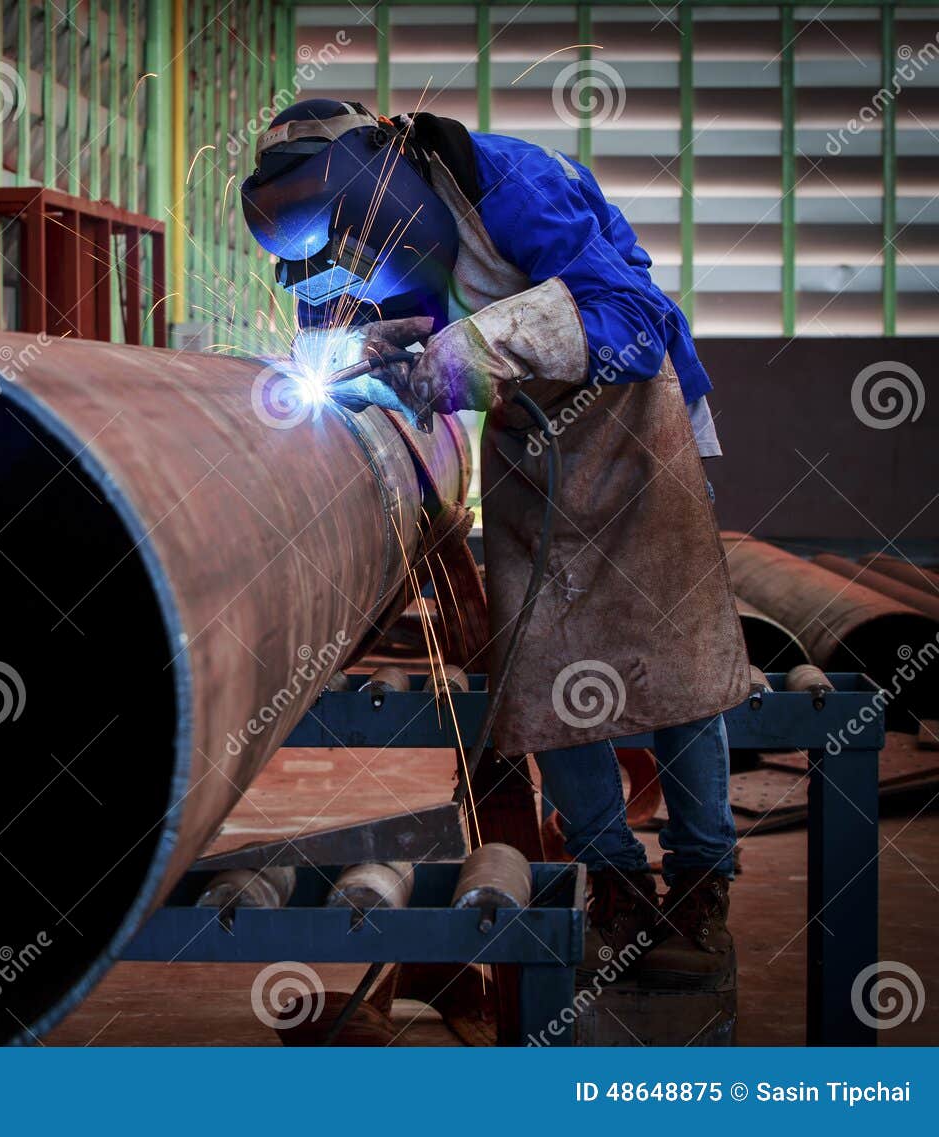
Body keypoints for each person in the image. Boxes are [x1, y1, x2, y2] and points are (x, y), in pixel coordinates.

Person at [241, 99, 750, 989]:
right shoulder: (390, 236)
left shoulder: (512, 182)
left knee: (674, 662)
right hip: (532, 443)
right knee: (543, 666)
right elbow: (400, 348)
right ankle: (617, 882)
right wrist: (373, 360)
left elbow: (629, 320)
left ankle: (703, 885)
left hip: (636, 424)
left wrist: (467, 352)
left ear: (378, 170)